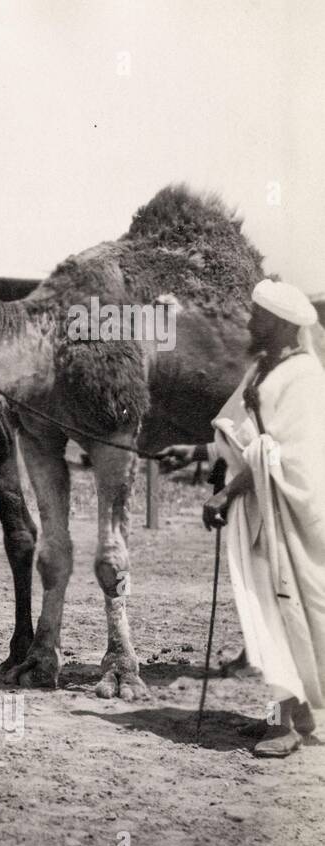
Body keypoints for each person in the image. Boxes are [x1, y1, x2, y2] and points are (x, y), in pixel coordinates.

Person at [159, 279, 325, 757]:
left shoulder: (305, 378)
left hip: (288, 519)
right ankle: (288, 713)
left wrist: (226, 492)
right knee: (264, 610)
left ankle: (287, 728)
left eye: (257, 316)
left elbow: (286, 456)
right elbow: (244, 436)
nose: (250, 323)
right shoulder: (260, 370)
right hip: (258, 512)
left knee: (283, 608)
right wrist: (195, 451)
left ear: (280, 323)